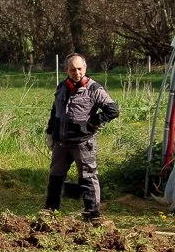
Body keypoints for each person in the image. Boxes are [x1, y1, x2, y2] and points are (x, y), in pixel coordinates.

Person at [44, 53, 120, 221]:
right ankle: (50, 211)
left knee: (88, 178)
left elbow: (113, 110)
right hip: (61, 142)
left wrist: (94, 122)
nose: (77, 73)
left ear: (85, 68)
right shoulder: (61, 87)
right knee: (55, 177)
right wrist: (50, 132)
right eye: (73, 70)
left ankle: (92, 214)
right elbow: (54, 112)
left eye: (79, 69)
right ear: (66, 70)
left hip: (83, 143)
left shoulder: (94, 89)